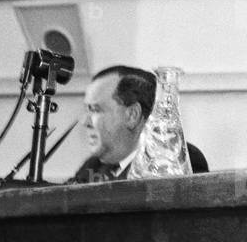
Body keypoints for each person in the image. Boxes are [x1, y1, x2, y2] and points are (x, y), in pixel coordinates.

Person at [71, 65, 209, 182]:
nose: (85, 121)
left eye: (95, 109)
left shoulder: (174, 159)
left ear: (132, 115)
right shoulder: (93, 166)